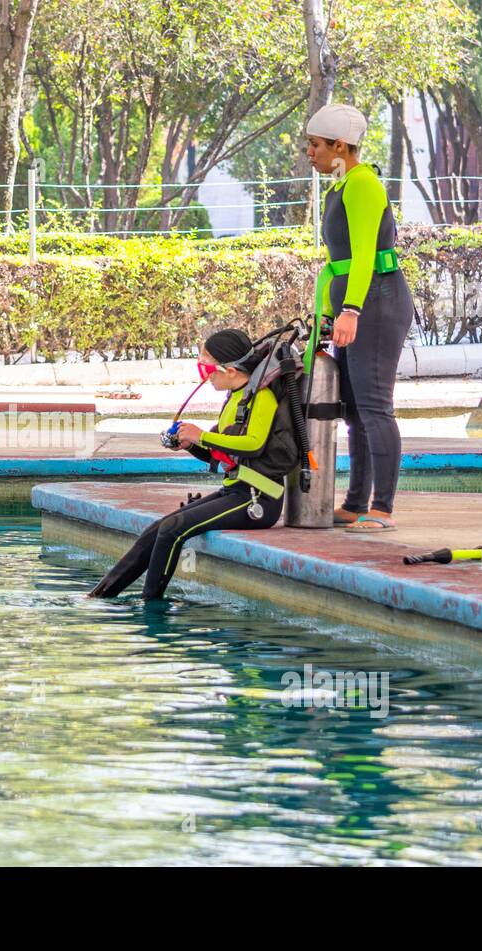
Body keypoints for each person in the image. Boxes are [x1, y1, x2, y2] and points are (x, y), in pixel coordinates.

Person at [88, 328, 299, 601]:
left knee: (173, 530)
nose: (205, 377)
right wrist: (191, 445)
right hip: (236, 490)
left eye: (206, 369)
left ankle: (150, 604)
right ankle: (101, 595)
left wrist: (203, 435)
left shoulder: (261, 397)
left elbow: (254, 444)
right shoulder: (237, 397)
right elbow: (222, 454)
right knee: (157, 529)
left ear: (231, 370)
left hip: (258, 498)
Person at [305, 103, 414, 533]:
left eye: (315, 145)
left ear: (339, 145)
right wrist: (329, 315)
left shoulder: (364, 183)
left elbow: (365, 254)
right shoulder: (340, 186)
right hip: (356, 303)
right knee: (353, 411)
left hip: (377, 303)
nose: (309, 152)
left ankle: (382, 509)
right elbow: (340, 262)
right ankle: (354, 502)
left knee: (375, 407)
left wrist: (351, 309)